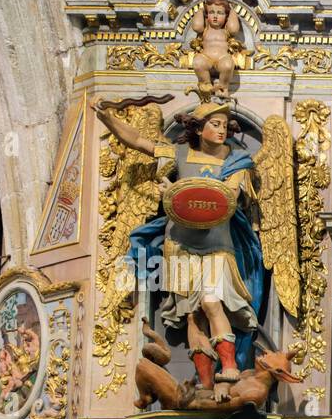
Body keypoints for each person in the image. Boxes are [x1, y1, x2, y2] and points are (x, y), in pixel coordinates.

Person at [99, 99, 269, 390]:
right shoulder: (179, 153)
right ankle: (204, 383)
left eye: (224, 125)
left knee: (212, 302)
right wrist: (109, 120)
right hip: (178, 245)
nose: (221, 130)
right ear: (199, 128)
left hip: (218, 245)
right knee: (191, 315)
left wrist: (177, 190)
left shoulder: (237, 159)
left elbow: (227, 195)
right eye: (214, 124)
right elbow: (139, 141)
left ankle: (229, 366)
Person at [190, 0, 241, 98]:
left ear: (226, 16)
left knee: (227, 65)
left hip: (222, 58)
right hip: (206, 58)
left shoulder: (225, 30)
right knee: (198, 62)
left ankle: (223, 88)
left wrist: (231, 11)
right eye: (211, 12)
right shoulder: (206, 30)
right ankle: (206, 85)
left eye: (220, 13)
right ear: (207, 15)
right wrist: (200, 10)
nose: (215, 16)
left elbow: (234, 29)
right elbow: (196, 26)